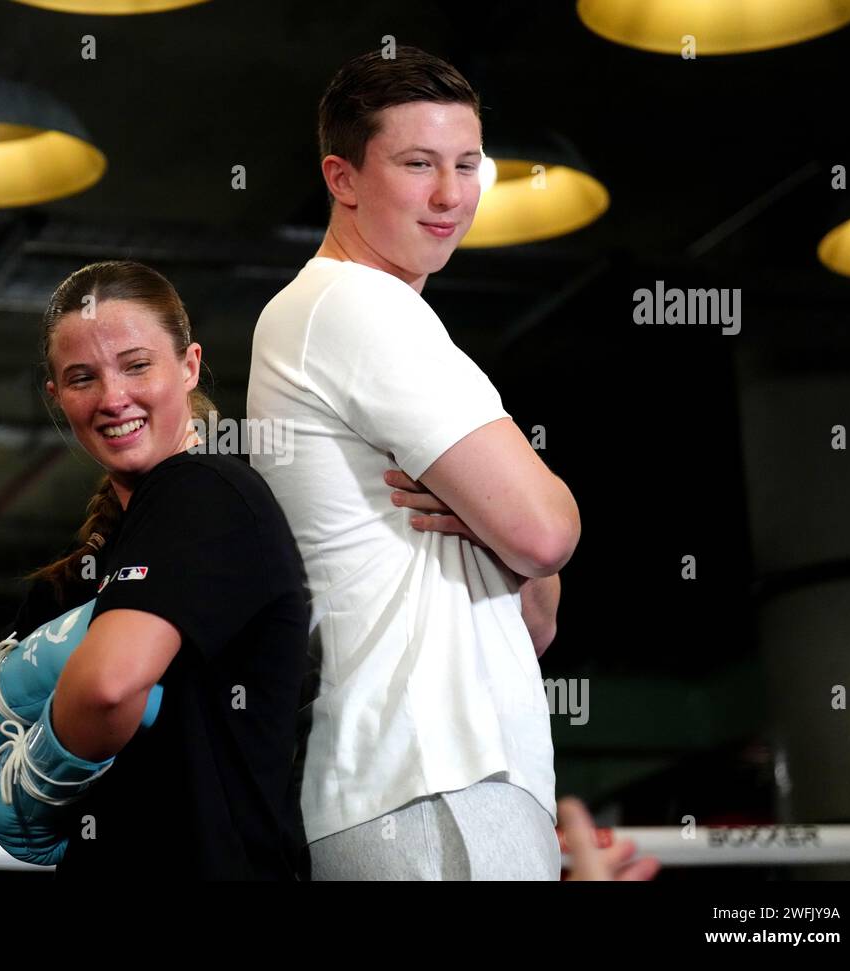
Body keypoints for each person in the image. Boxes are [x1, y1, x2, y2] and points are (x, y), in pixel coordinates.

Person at [246, 45, 581, 880]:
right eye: (418, 163)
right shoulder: (357, 304)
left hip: (428, 782)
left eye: (468, 165)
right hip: (429, 783)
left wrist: (497, 521)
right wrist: (521, 515)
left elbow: (535, 619)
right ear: (343, 176)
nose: (450, 195)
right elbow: (544, 535)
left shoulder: (361, 315)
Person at [0, 260, 310, 880]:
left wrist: (37, 761)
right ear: (56, 395)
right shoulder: (78, 571)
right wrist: (65, 656)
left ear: (188, 366)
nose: (112, 398)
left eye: (137, 365)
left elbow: (108, 685)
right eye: (83, 378)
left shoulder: (208, 490)